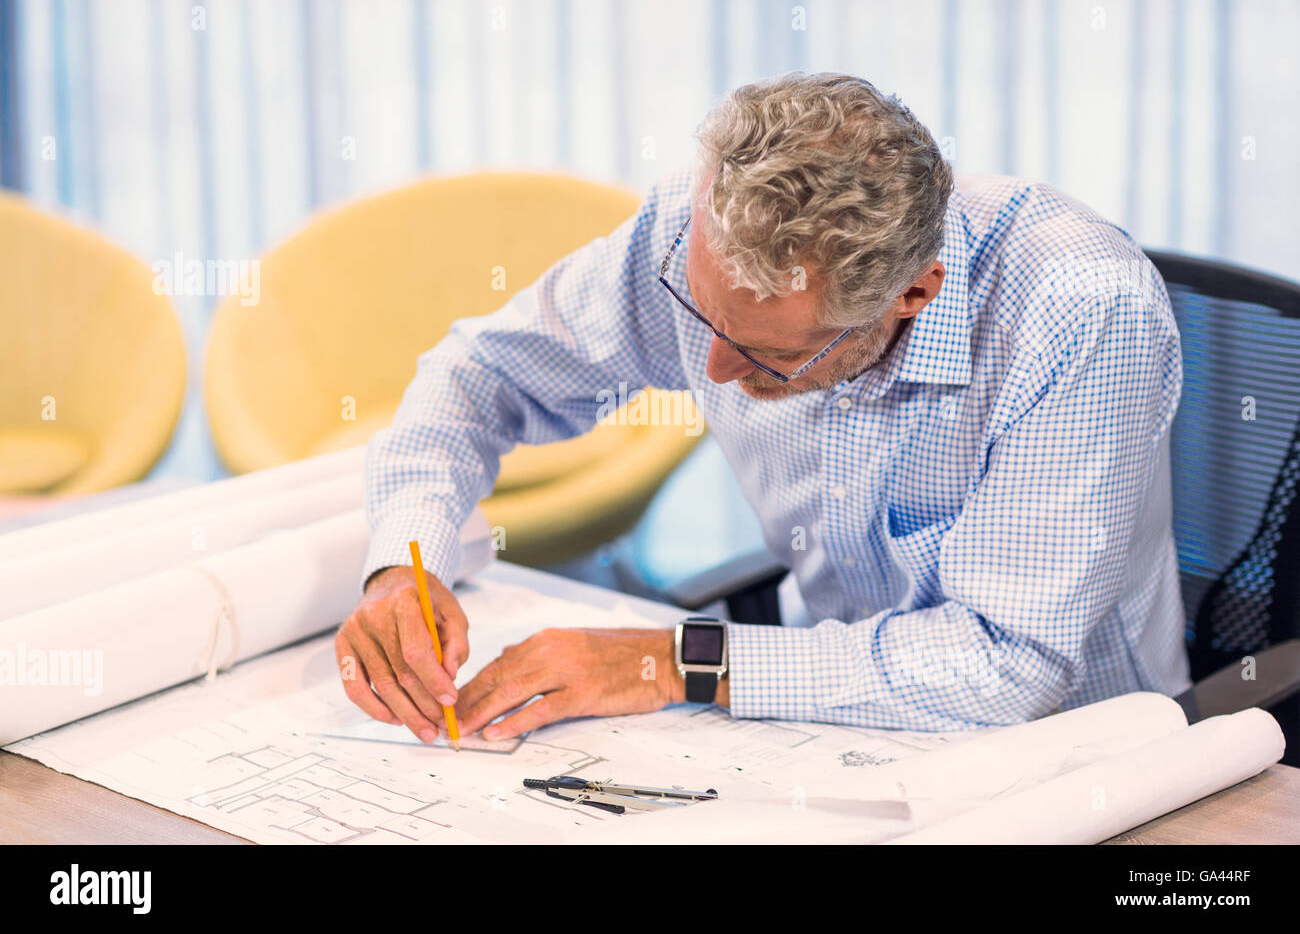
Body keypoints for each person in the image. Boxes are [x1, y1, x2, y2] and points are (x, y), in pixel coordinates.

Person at [335, 71, 1189, 744]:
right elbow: (477, 376)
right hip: (829, 728)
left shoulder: (1084, 312)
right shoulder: (695, 233)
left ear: (913, 296)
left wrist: (666, 663)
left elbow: (1009, 666)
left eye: (771, 353)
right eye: (701, 316)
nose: (711, 365)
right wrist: (406, 564)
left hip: (1080, 747)